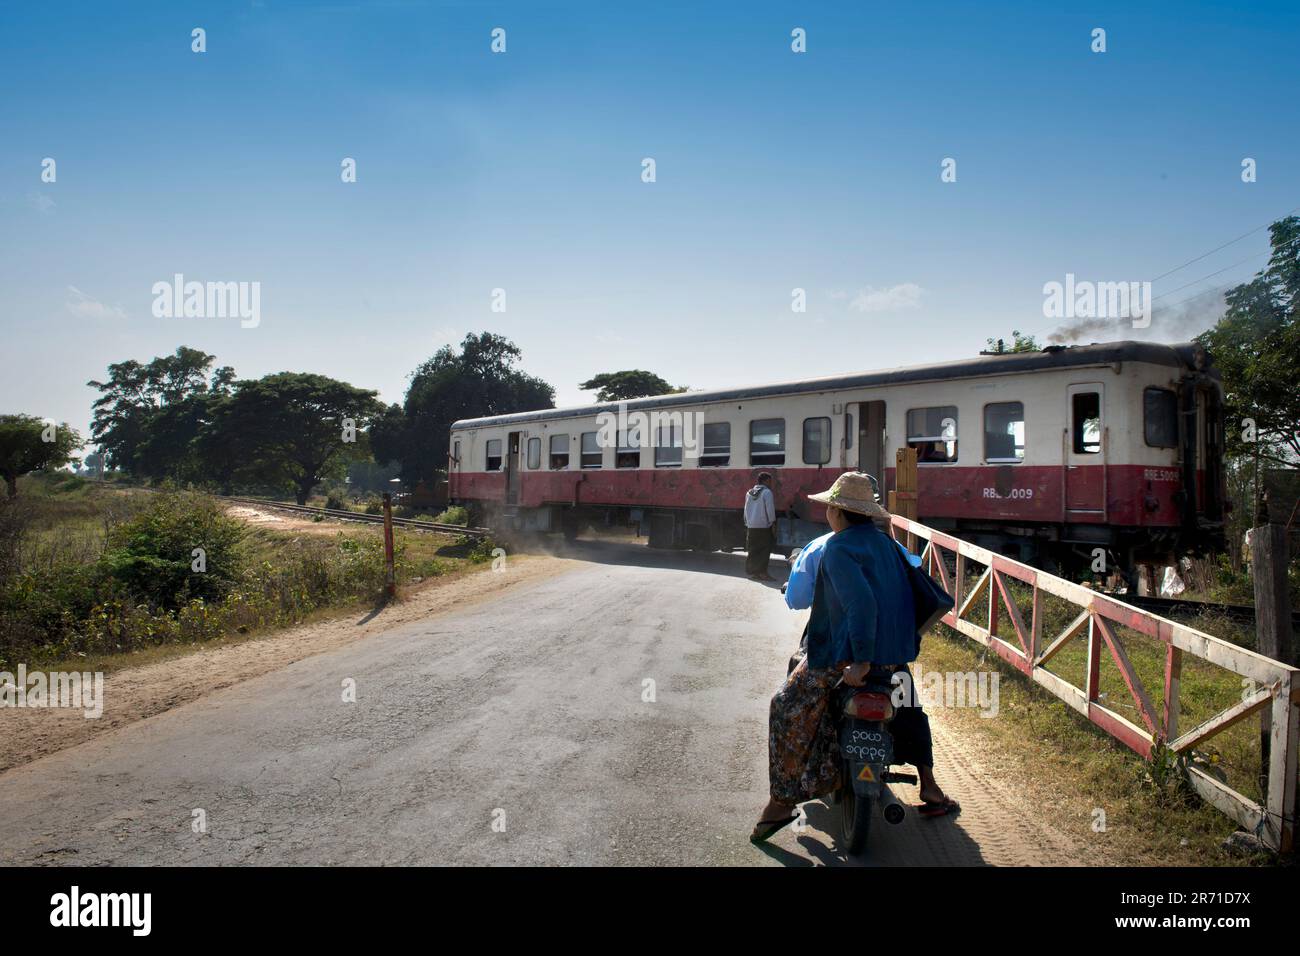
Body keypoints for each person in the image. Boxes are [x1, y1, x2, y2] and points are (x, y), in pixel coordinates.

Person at [751, 471, 958, 844]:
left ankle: (782, 801)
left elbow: (860, 603)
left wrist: (860, 660)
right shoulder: (890, 546)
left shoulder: (837, 547)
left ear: (838, 512)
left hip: (846, 657)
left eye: (830, 507)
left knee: (784, 704)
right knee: (910, 704)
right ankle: (927, 781)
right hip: (893, 658)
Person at [743, 472, 776, 580]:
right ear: (765, 481)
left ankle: (755, 573)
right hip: (763, 527)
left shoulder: (749, 493)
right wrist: (772, 523)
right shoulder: (767, 492)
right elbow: (770, 510)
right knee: (764, 550)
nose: (771, 483)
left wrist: (747, 523)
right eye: (770, 481)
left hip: (751, 526)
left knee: (754, 550)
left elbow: (745, 510)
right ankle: (763, 573)